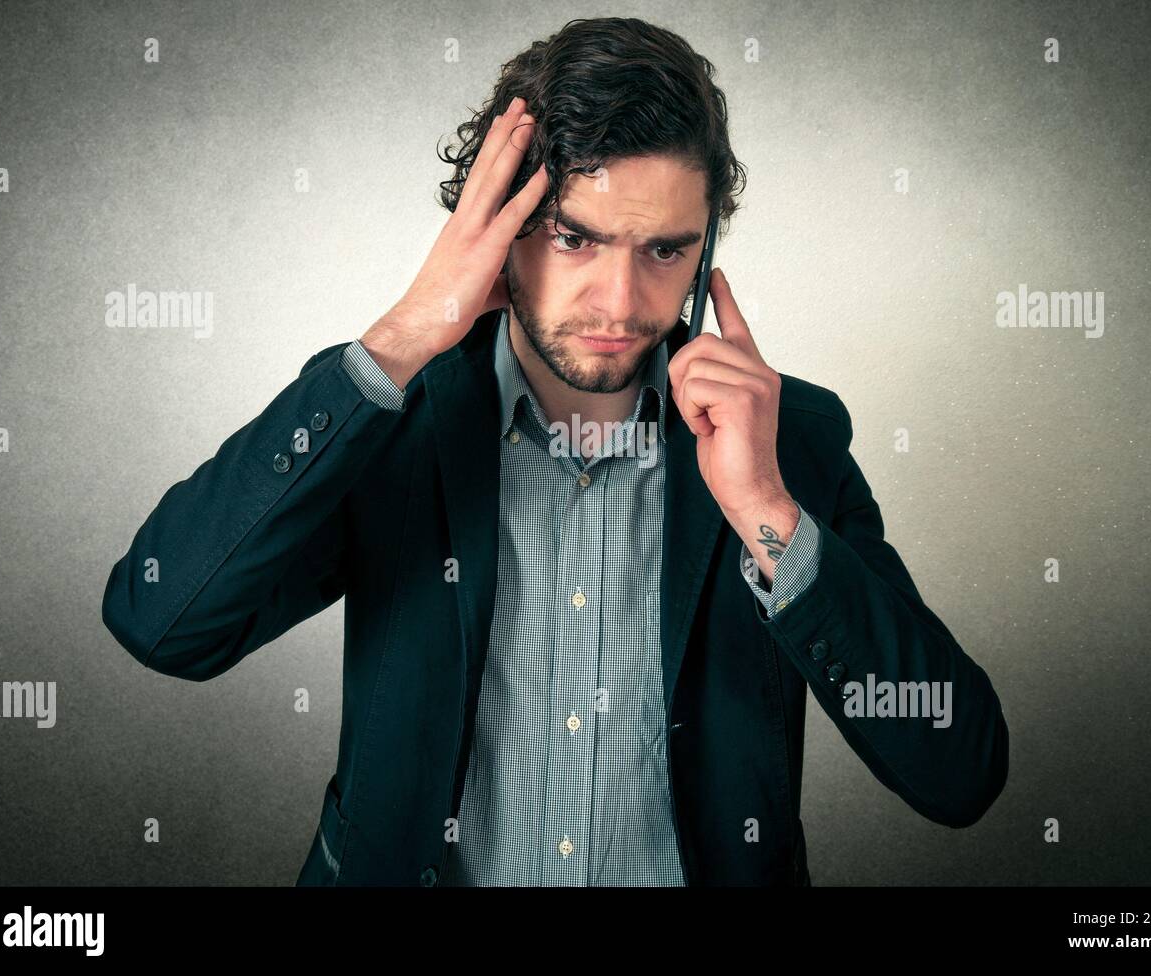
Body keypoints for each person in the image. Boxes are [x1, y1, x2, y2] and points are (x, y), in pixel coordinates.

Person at [102, 16, 1008, 886]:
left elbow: (958, 771)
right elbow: (164, 621)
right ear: (496, 225)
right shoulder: (388, 420)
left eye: (664, 249)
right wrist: (402, 336)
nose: (619, 302)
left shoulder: (790, 441)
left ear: (707, 247)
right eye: (574, 238)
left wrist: (766, 512)